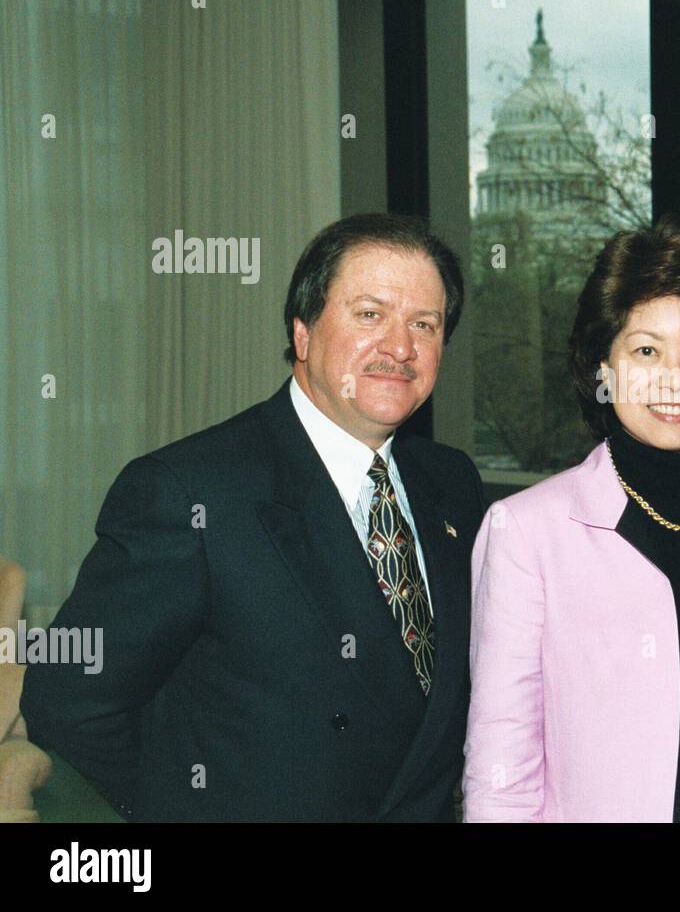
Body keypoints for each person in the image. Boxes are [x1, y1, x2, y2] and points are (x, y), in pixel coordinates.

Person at [20, 213, 484, 821]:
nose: (400, 347)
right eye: (370, 315)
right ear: (304, 333)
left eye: (424, 324)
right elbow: (71, 703)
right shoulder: (189, 492)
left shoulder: (452, 483)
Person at [462, 219, 680, 822]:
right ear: (603, 368)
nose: (674, 378)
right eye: (645, 350)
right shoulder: (524, 532)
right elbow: (502, 773)